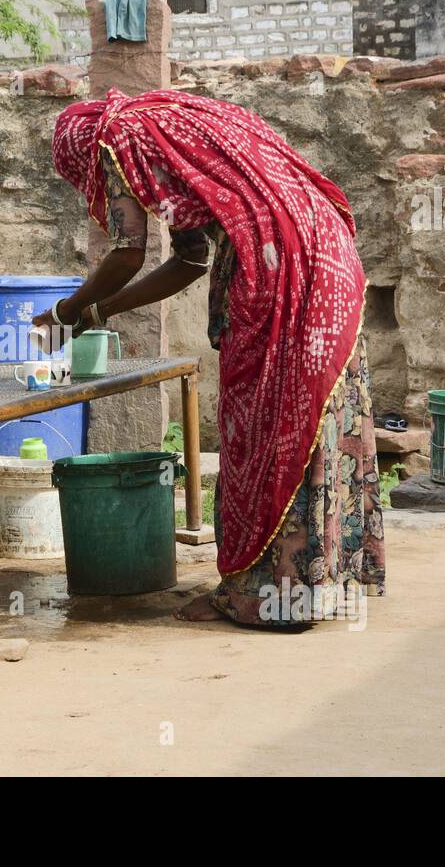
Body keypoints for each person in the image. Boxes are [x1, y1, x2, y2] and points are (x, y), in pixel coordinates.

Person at [35, 88, 385, 627]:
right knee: (320, 417)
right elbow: (191, 258)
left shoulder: (115, 138)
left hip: (278, 272)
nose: (99, 189)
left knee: (264, 427)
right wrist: (99, 313)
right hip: (326, 255)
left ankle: (263, 598)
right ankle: (317, 585)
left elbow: (128, 252)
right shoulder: (176, 125)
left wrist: (67, 310)